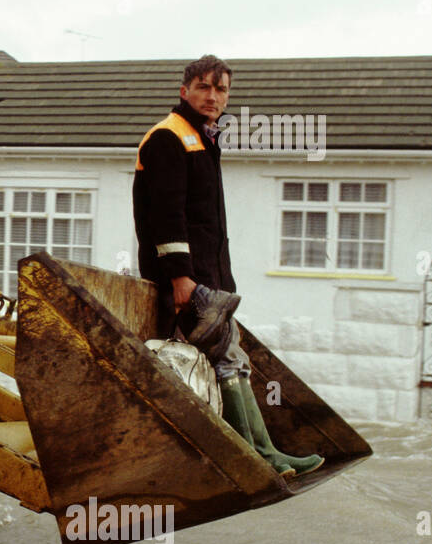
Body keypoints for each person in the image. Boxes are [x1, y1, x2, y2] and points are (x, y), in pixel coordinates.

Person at [133, 55, 322, 476]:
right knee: (229, 358)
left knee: (232, 358)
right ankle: (259, 456)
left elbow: (207, 223)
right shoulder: (170, 138)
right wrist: (180, 276)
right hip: (185, 276)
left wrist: (221, 279)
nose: (213, 96)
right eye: (204, 87)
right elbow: (168, 216)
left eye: (221, 89)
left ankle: (263, 452)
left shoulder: (202, 138)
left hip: (209, 275)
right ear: (184, 92)